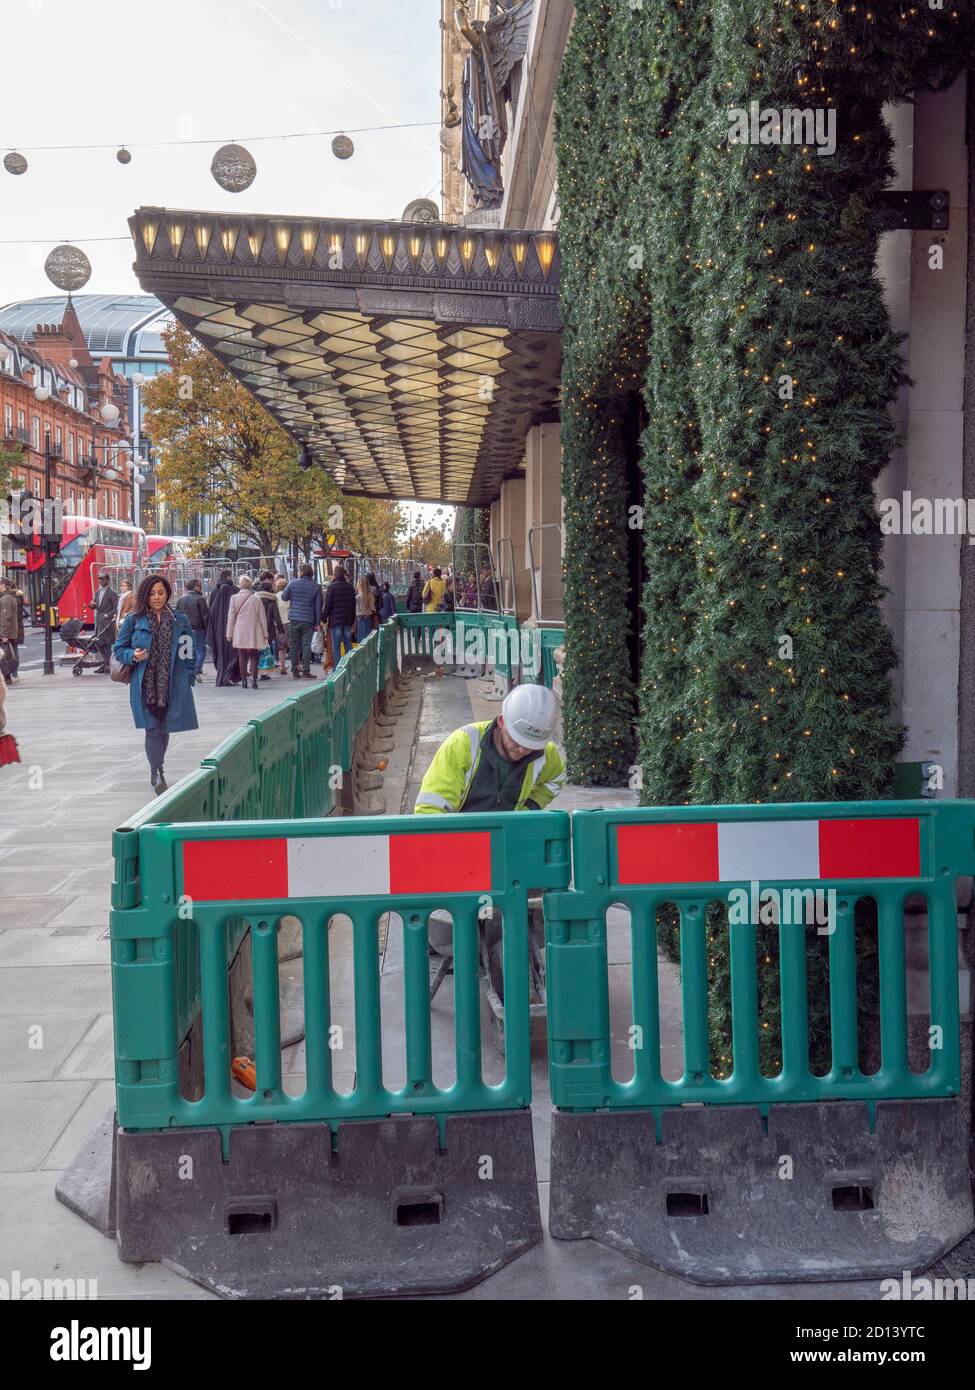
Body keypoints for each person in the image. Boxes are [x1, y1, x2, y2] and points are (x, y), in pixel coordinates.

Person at [415, 684, 565, 814]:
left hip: (507, 835)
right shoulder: (462, 744)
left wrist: (529, 810)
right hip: (462, 836)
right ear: (502, 721)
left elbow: (557, 778)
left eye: (532, 746)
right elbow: (431, 809)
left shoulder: (546, 753)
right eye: (517, 740)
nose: (523, 750)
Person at [113, 575, 198, 795]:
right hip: (145, 684)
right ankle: (158, 770)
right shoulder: (134, 620)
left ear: (167, 593)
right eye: (152, 593)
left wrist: (188, 676)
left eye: (161, 593)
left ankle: (157, 766)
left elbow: (188, 650)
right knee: (152, 729)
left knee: (165, 727)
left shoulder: (179, 619)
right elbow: (119, 649)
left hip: (173, 683)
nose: (157, 597)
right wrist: (133, 654)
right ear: (145, 595)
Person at [226, 574, 269, 690]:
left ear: (240, 585)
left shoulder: (234, 598)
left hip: (239, 630)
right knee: (254, 655)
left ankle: (244, 680)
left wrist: (229, 633)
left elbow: (231, 617)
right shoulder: (256, 598)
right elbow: (262, 618)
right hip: (254, 630)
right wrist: (265, 634)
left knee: (242, 656)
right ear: (250, 585)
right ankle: (254, 678)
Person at [282, 563, 323, 679]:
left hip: (294, 618)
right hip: (309, 620)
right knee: (306, 645)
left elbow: (284, 597)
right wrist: (318, 623)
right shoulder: (316, 586)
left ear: (301, 572)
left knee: (294, 645)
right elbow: (318, 606)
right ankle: (306, 671)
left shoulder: (293, 583)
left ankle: (295, 670)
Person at [206, 570, 240, 686]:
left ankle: (221, 675)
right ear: (229, 576)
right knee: (234, 652)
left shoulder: (215, 591)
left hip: (218, 628)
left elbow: (211, 609)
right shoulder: (235, 590)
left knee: (220, 652)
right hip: (233, 627)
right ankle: (229, 675)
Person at [176, 579, 209, 682]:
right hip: (197, 628)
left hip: (183, 628)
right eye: (199, 586)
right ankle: (196, 670)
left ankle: (186, 671)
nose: (201, 588)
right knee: (200, 650)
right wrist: (207, 628)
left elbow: (176, 614)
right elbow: (205, 616)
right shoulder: (200, 599)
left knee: (186, 651)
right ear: (195, 586)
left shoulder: (180, 599)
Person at [324, 564, 356, 665]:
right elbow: (353, 605)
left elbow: (328, 605)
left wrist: (323, 617)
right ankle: (349, 665)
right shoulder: (350, 587)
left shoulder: (331, 587)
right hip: (347, 620)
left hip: (335, 620)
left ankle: (337, 669)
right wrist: (352, 619)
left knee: (336, 646)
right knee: (348, 643)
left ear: (334, 575)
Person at [255, 572, 284, 681]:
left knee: (257, 649)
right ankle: (264, 672)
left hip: (257, 628)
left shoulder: (255, 598)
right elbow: (277, 616)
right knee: (266, 649)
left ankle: (255, 669)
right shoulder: (272, 600)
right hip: (269, 627)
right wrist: (280, 628)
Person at [88, 571, 118, 673]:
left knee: (107, 645)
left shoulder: (112, 594)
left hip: (108, 623)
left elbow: (116, 608)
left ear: (107, 580)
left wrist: (108, 615)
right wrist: (91, 605)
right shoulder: (97, 593)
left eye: (103, 579)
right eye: (99, 579)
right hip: (99, 622)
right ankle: (104, 664)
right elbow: (95, 605)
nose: (100, 581)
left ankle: (108, 666)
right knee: (100, 644)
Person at [0, 578, 21, 686]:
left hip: (6, 633)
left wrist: (4, 634)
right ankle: (11, 674)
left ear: (3, 585)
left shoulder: (5, 599)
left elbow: (5, 618)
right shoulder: (9, 597)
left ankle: (8, 676)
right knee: (10, 655)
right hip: (10, 632)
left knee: (6, 656)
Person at [274, 575, 290, 675]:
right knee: (292, 645)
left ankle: (282, 666)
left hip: (278, 623)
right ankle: (296, 666)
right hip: (288, 622)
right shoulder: (288, 596)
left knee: (281, 647)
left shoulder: (274, 597)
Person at [354, 576, 376, 644]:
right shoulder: (370, 596)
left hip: (360, 619)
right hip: (368, 619)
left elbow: (355, 610)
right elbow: (373, 609)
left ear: (360, 585)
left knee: (361, 640)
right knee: (367, 639)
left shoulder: (357, 597)